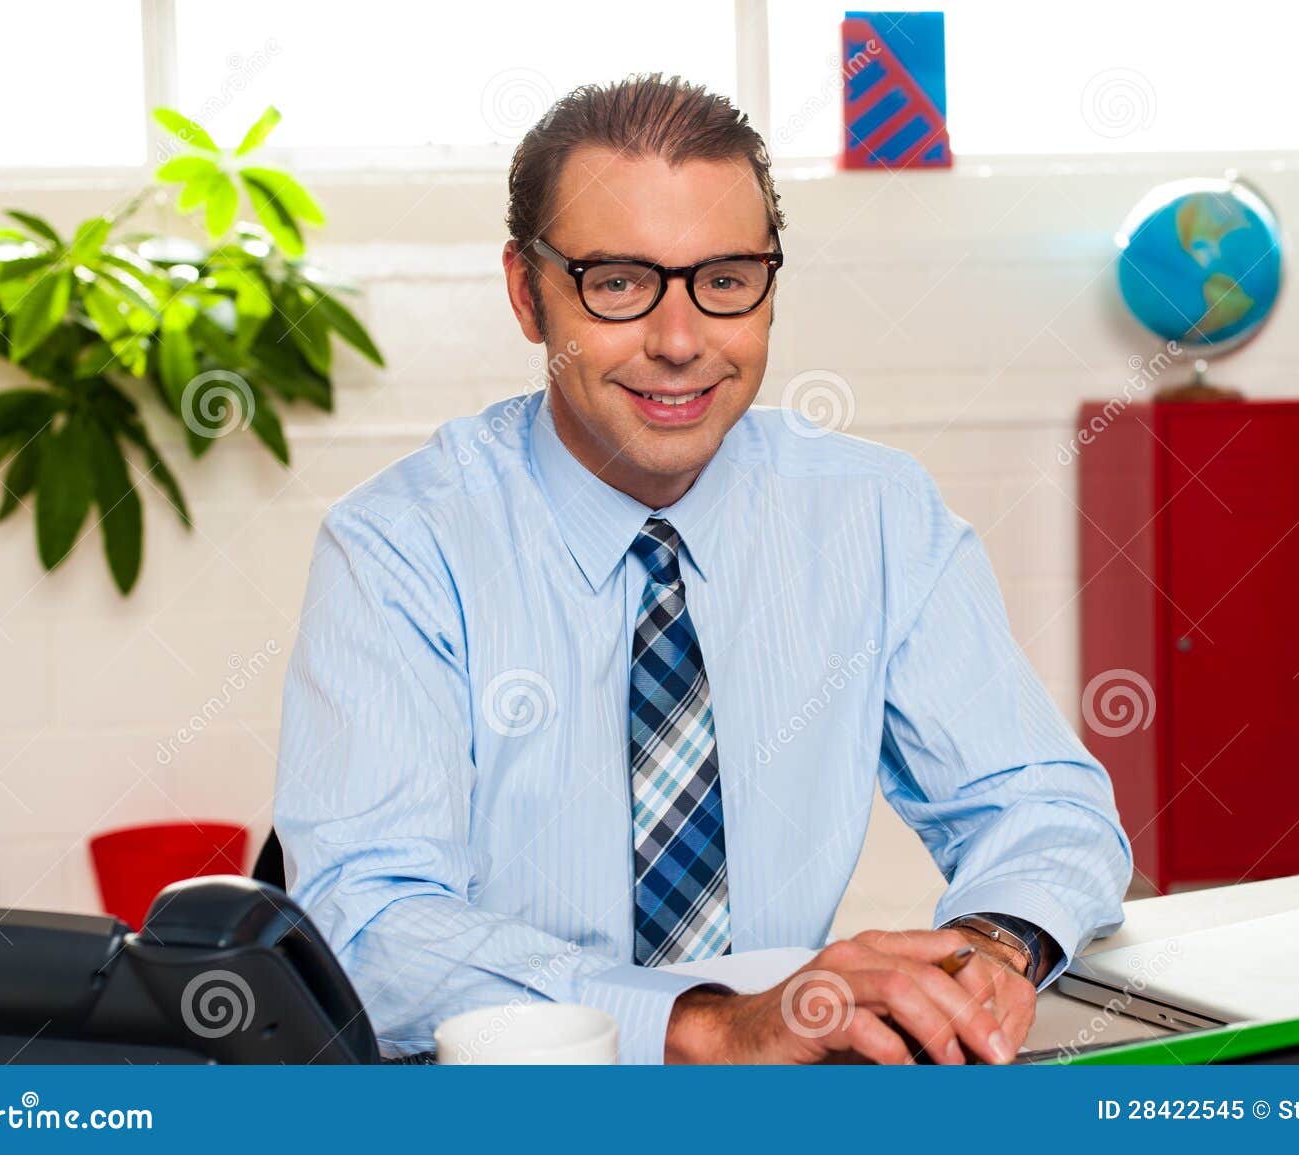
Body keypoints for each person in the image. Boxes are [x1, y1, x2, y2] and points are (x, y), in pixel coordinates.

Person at [275, 74, 1132, 1065]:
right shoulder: (401, 546)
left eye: (723, 280)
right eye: (617, 283)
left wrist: (989, 949)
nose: (679, 343)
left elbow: (1043, 806)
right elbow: (366, 926)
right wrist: (706, 1028)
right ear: (526, 292)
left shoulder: (878, 516)